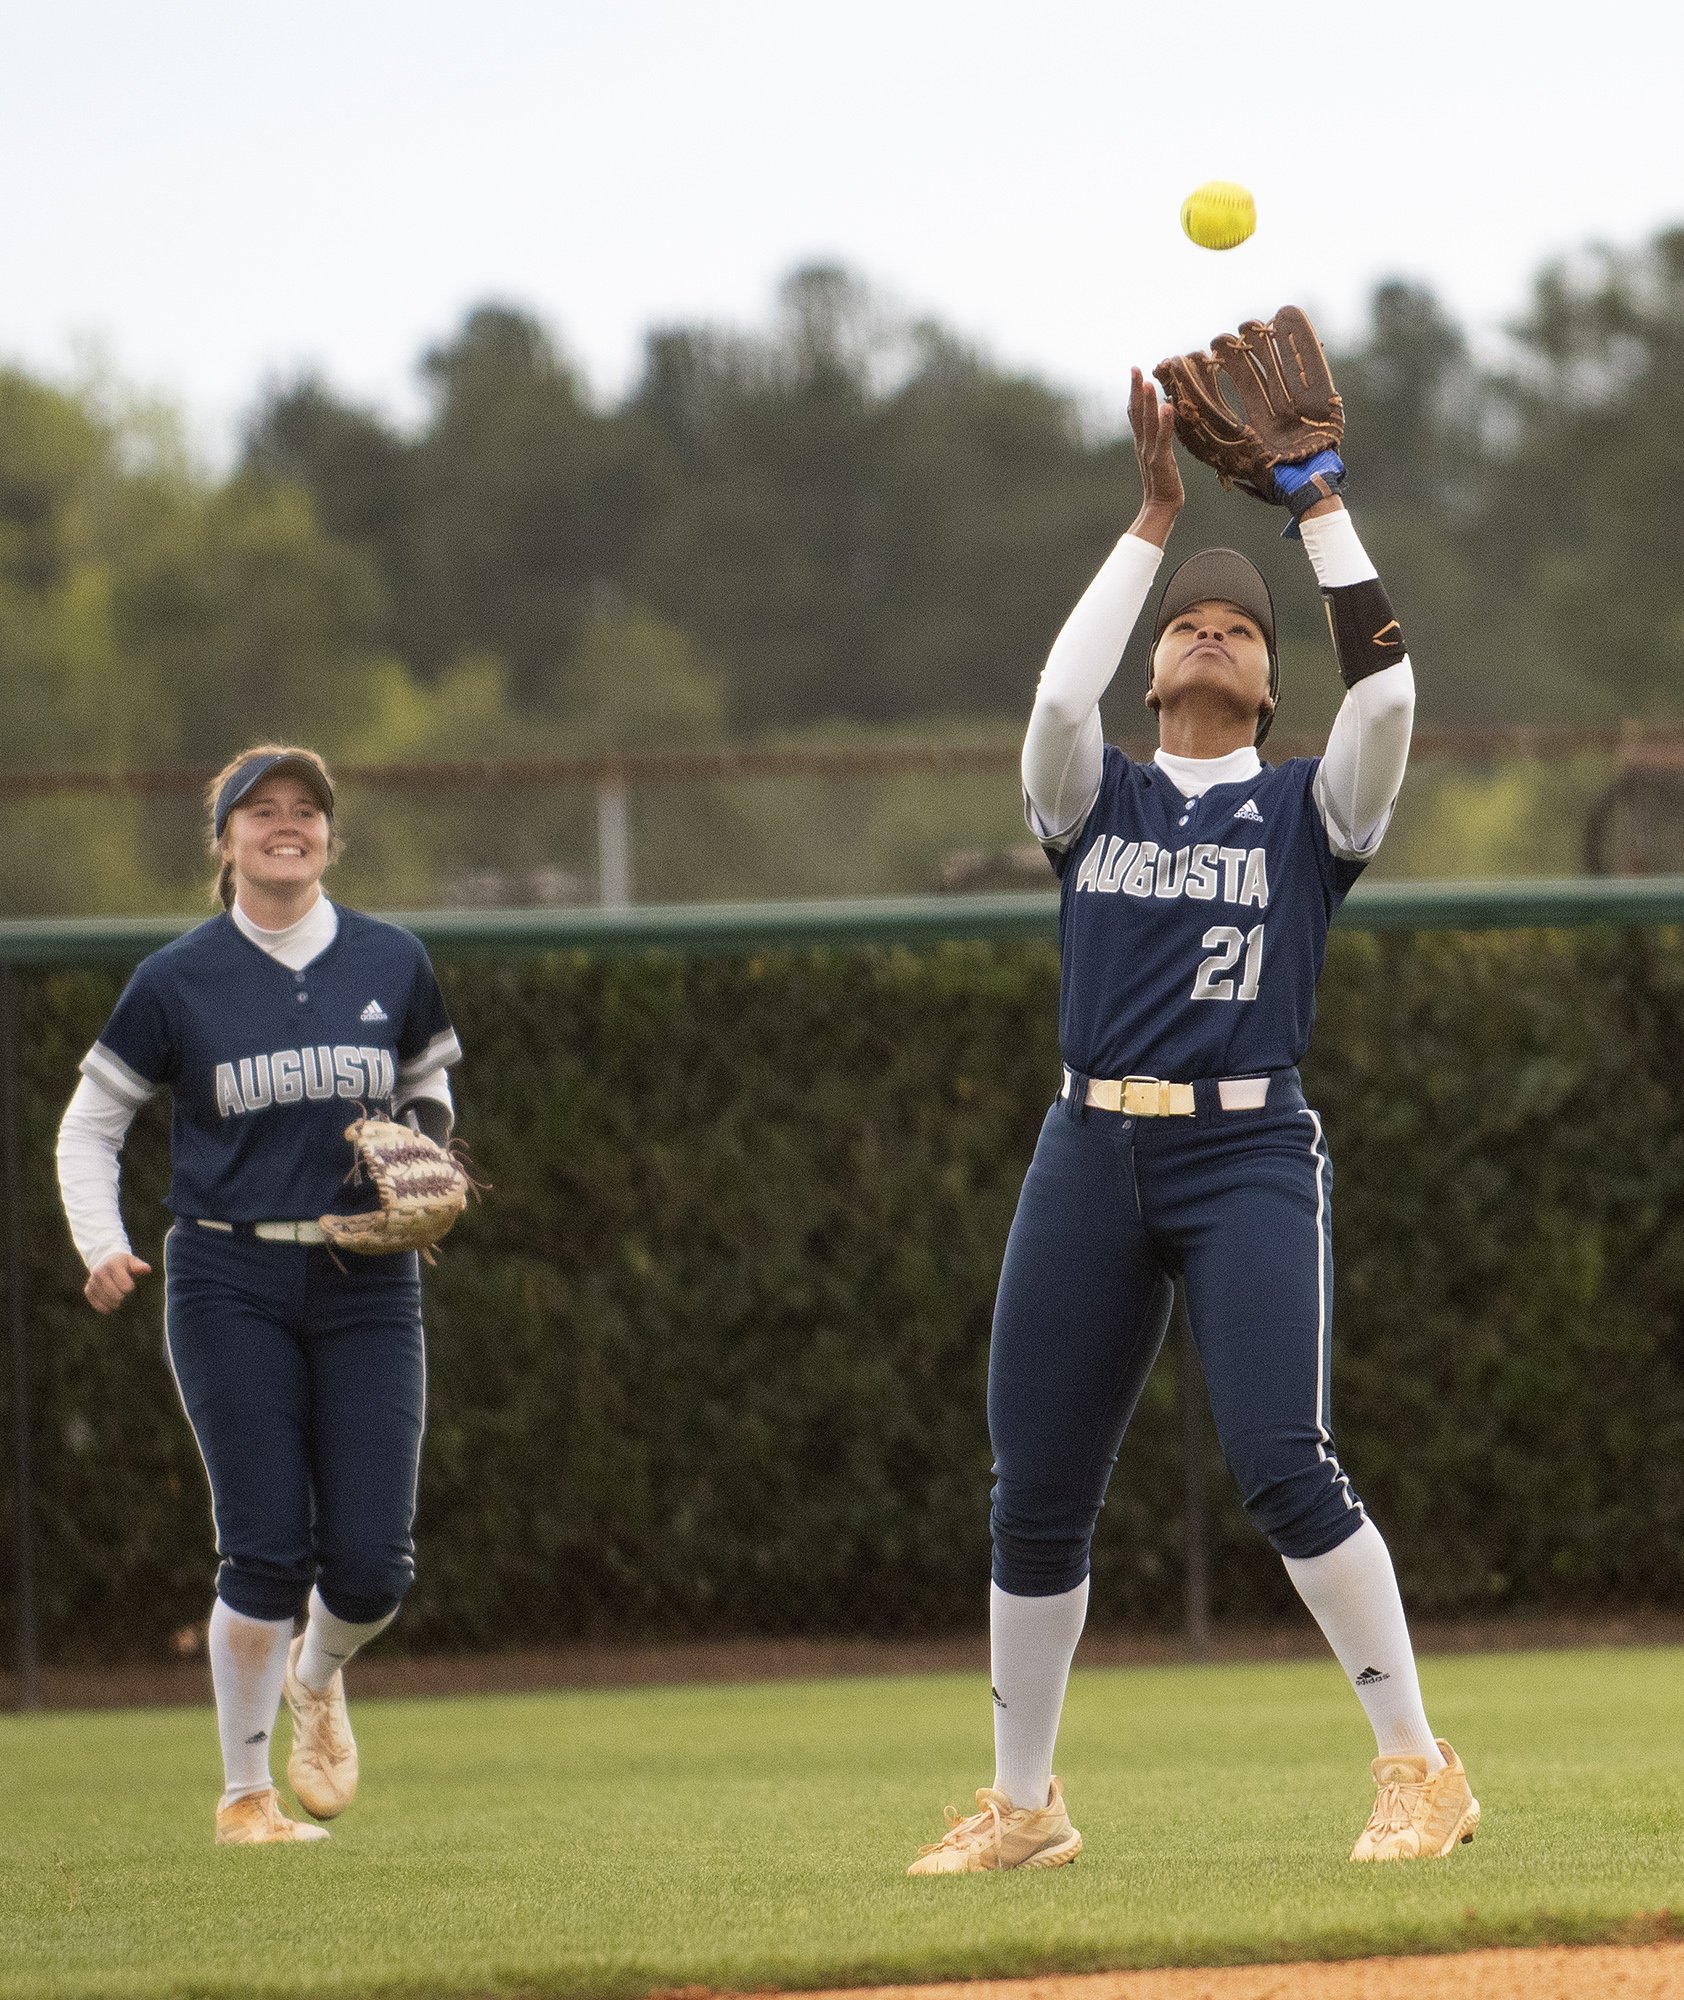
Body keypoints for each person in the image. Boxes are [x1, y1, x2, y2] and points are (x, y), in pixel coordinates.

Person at [907, 371, 1478, 1874]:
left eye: (1242, 627)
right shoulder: (1094, 797)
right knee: (1034, 1488)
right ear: (1151, 676)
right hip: (1090, 1148)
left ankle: (1418, 1767)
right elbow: (1047, 702)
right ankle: (1025, 1807)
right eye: (1185, 626)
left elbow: (1397, 692)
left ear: (1271, 688)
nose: (1213, 629)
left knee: (1285, 1461)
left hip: (1246, 1153)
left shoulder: (1311, 809)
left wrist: (1321, 510)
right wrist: (1154, 523)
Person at [55, 744, 462, 1845]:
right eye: (262, 810)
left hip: (365, 1273)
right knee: (267, 1547)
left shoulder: (392, 956)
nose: (288, 825)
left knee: (373, 1565)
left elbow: (427, 1089)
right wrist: (102, 1237)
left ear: (329, 836)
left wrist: (424, 1151)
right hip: (226, 1272)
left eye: (307, 811)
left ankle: (315, 1676)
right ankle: (245, 1793)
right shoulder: (178, 977)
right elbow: (91, 1122)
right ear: (226, 839)